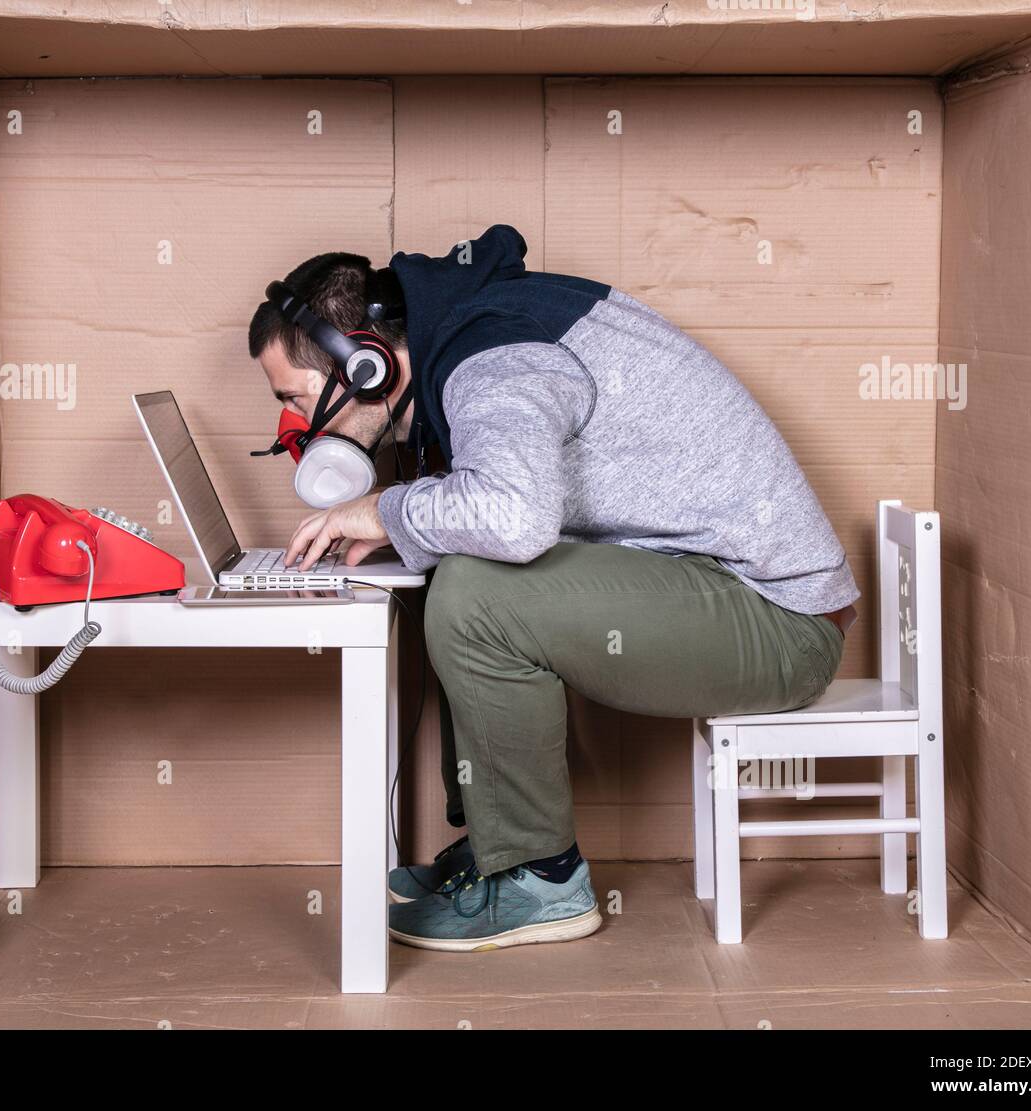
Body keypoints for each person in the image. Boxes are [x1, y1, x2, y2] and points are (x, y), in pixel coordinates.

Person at [248, 224, 859, 953]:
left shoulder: (496, 362)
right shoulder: (482, 335)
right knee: (456, 564)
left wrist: (381, 508)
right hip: (716, 587)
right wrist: (402, 521)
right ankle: (499, 848)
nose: (292, 426)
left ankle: (542, 879)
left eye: (297, 397)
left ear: (370, 366)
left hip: (778, 623)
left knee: (475, 595)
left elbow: (513, 516)